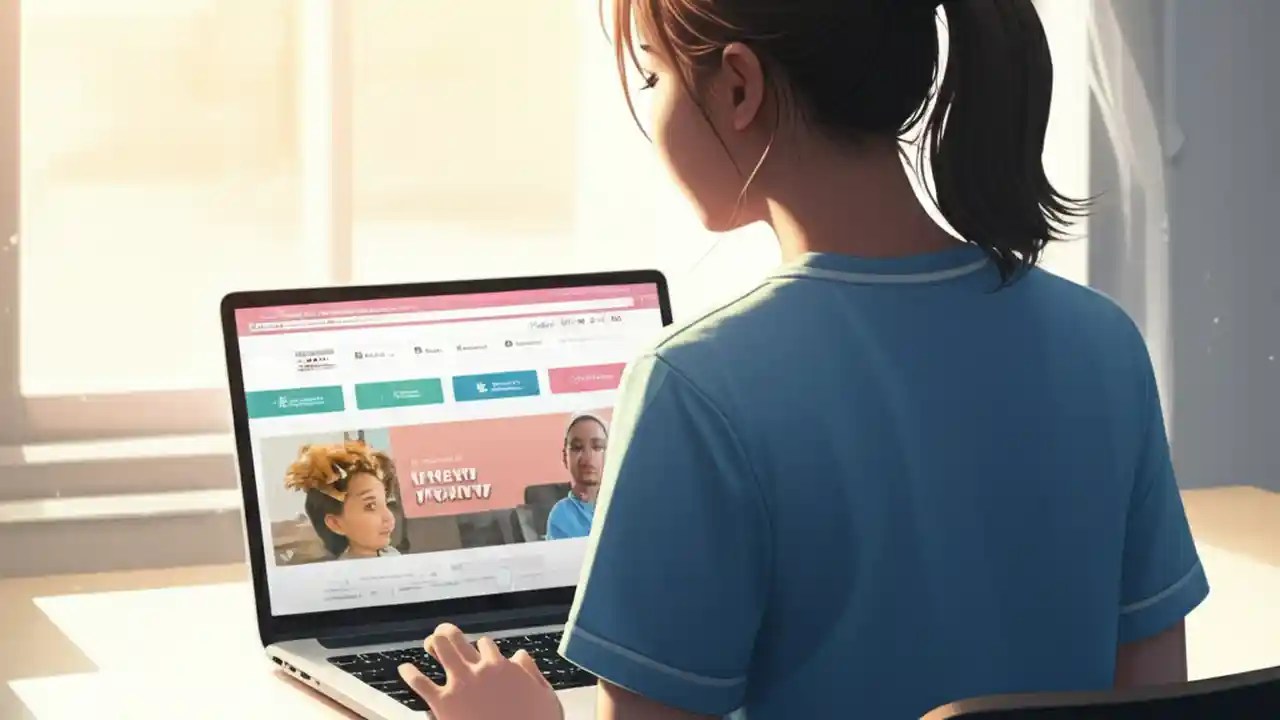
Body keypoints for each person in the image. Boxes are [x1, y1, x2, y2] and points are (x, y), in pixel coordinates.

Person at [397, 0, 1208, 717]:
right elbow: (1154, 696)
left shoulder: (696, 388)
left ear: (739, 87)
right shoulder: (1102, 344)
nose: (652, 109)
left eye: (652, 77)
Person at [284, 441, 402, 561]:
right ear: (336, 524)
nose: (389, 517)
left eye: (385, 503)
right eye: (370, 506)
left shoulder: (392, 554)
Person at [546, 413, 609, 540]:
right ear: (565, 457)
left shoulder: (627, 506)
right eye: (577, 448)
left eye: (597, 447)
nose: (587, 458)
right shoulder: (562, 516)